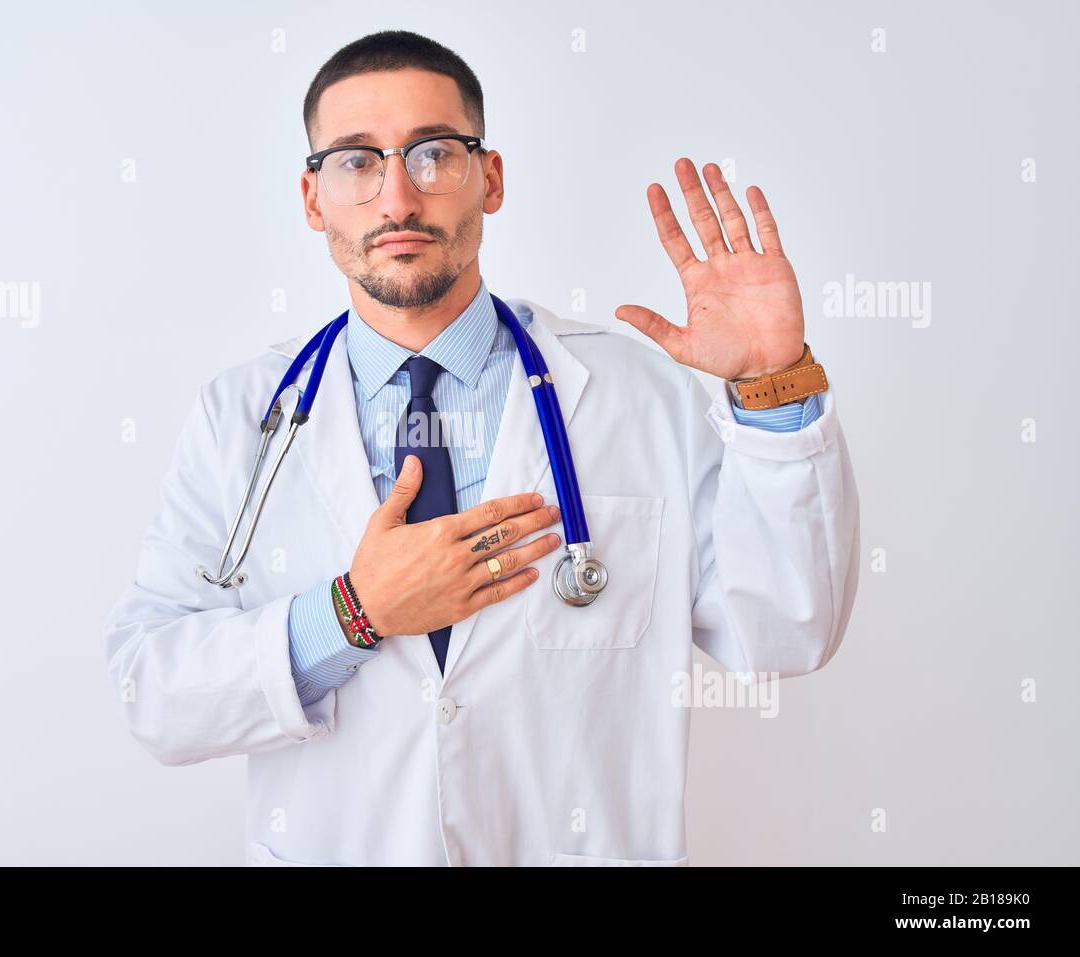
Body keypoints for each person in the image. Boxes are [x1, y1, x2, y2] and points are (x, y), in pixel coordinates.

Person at [103, 29, 860, 866]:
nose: (397, 198)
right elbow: (154, 689)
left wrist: (773, 381)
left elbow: (786, 628)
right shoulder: (242, 414)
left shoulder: (638, 398)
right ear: (313, 198)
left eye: (433, 153)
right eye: (357, 161)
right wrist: (353, 614)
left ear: (488, 178)